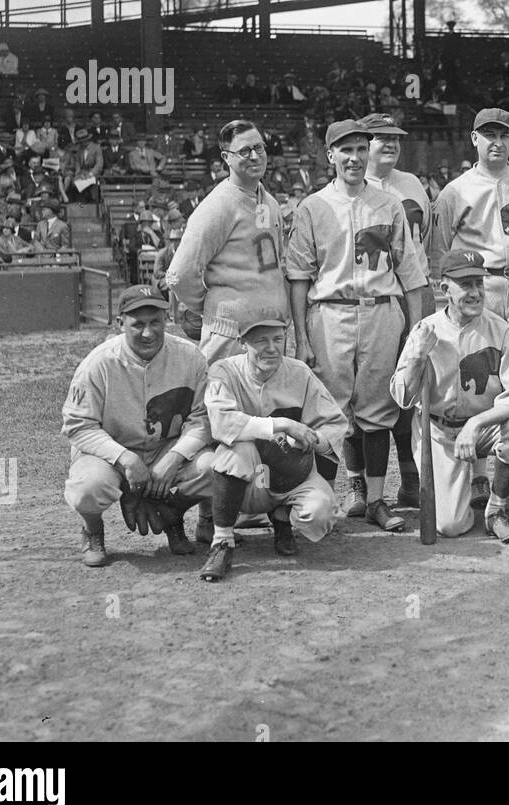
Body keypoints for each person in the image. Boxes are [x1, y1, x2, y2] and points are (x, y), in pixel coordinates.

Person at [285, 118, 426, 533]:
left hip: (382, 310)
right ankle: (333, 497)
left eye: (361, 149)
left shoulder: (389, 204)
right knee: (332, 411)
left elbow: (412, 273)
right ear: (330, 155)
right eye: (345, 150)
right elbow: (299, 277)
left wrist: (415, 332)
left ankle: (377, 501)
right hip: (330, 312)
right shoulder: (313, 206)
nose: (354, 157)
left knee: (378, 411)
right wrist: (301, 337)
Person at [390, 248, 509, 543]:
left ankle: (495, 509)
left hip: (483, 427)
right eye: (466, 285)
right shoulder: (425, 330)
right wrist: (418, 358)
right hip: (438, 430)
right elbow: (402, 398)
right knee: (450, 526)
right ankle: (469, 483)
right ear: (444, 289)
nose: (476, 293)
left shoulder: (500, 330)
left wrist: (475, 426)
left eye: (479, 284)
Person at [61, 285, 214, 567]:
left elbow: (202, 417)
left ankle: (172, 514)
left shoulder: (190, 357)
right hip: (110, 452)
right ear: (120, 324)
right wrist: (125, 459)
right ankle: (92, 530)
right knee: (86, 488)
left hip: (165, 447)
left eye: (155, 322)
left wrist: (175, 457)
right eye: (138, 324)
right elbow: (77, 425)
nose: (148, 332)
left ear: (167, 319)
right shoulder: (98, 363)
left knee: (216, 467)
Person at [197, 305, 353, 582]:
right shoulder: (224, 371)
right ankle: (222, 541)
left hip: (291, 476)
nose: (271, 348)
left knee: (322, 513)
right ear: (242, 342)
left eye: (278, 339)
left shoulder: (299, 373)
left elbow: (335, 423)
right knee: (237, 450)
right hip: (248, 481)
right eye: (260, 340)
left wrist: (310, 438)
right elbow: (222, 424)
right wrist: (280, 424)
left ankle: (282, 518)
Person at [431, 107, 509, 382]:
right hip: (481, 285)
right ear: (475, 138)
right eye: (489, 135)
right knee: (480, 361)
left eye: (504, 135)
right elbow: (441, 250)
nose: (497, 142)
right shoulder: (455, 190)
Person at [164, 119, 289, 365]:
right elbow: (179, 274)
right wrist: (215, 307)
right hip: (232, 334)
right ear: (226, 157)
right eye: (244, 151)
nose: (254, 156)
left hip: (271, 332)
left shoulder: (270, 202)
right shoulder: (217, 205)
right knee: (225, 400)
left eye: (259, 148)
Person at [363, 111, 435, 507]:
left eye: (394, 137)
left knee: (417, 383)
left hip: (417, 291)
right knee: (369, 388)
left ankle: (411, 479)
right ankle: (360, 483)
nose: (389, 143)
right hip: (377, 297)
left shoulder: (412, 184)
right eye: (379, 137)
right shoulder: (353, 185)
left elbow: (428, 239)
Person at [64, 127, 104, 203]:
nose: (83, 143)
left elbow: (99, 164)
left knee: (92, 186)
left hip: (93, 173)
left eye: (84, 141)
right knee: (75, 183)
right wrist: (78, 174)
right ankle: (80, 203)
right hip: (83, 173)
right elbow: (78, 164)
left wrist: (90, 174)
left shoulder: (96, 148)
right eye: (81, 142)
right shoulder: (80, 150)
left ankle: (92, 202)